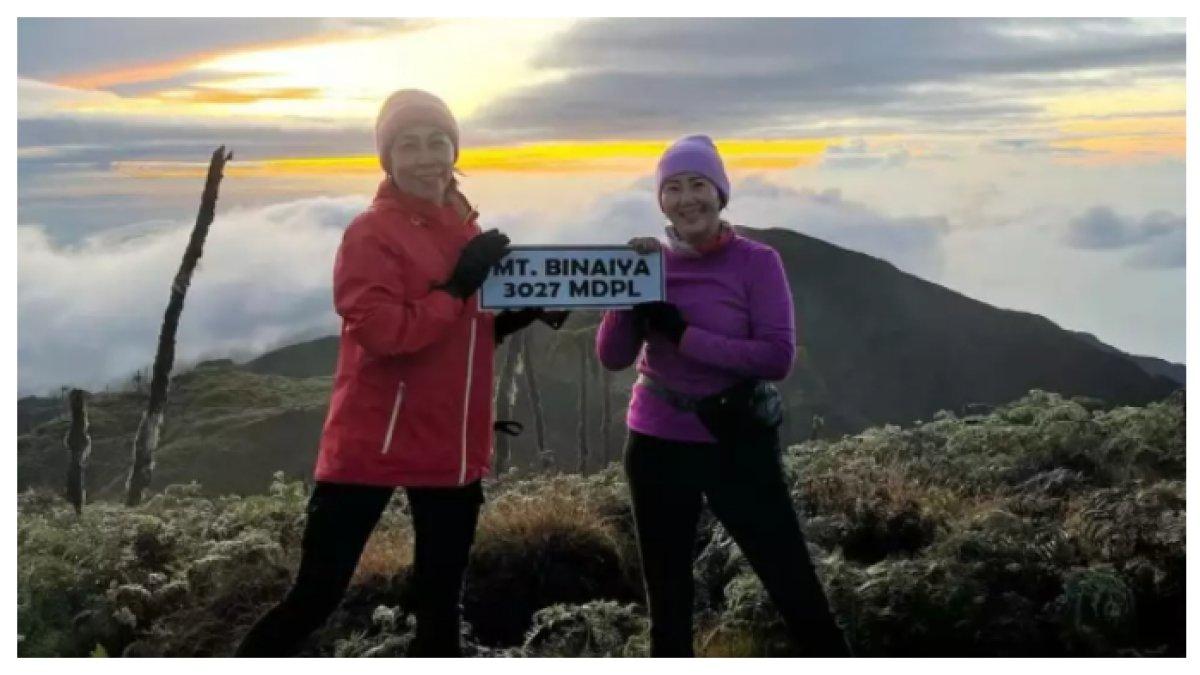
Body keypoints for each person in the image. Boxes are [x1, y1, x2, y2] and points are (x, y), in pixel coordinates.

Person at [236, 89, 556, 657]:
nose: (427, 155)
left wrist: (510, 318)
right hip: (372, 444)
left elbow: (455, 333)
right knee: (316, 595)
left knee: (440, 606)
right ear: (388, 159)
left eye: (438, 142)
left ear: (455, 150)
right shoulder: (371, 231)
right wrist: (459, 285)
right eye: (408, 145)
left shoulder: (462, 227)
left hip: (450, 448)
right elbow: (385, 334)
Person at [595, 135, 851, 657]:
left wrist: (683, 335)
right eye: (673, 188)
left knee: (792, 582)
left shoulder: (757, 262)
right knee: (667, 600)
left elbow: (775, 358)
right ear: (660, 200)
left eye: (698, 185)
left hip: (736, 438)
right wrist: (627, 291)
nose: (687, 198)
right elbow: (612, 355)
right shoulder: (651, 265)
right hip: (656, 441)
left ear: (720, 193)